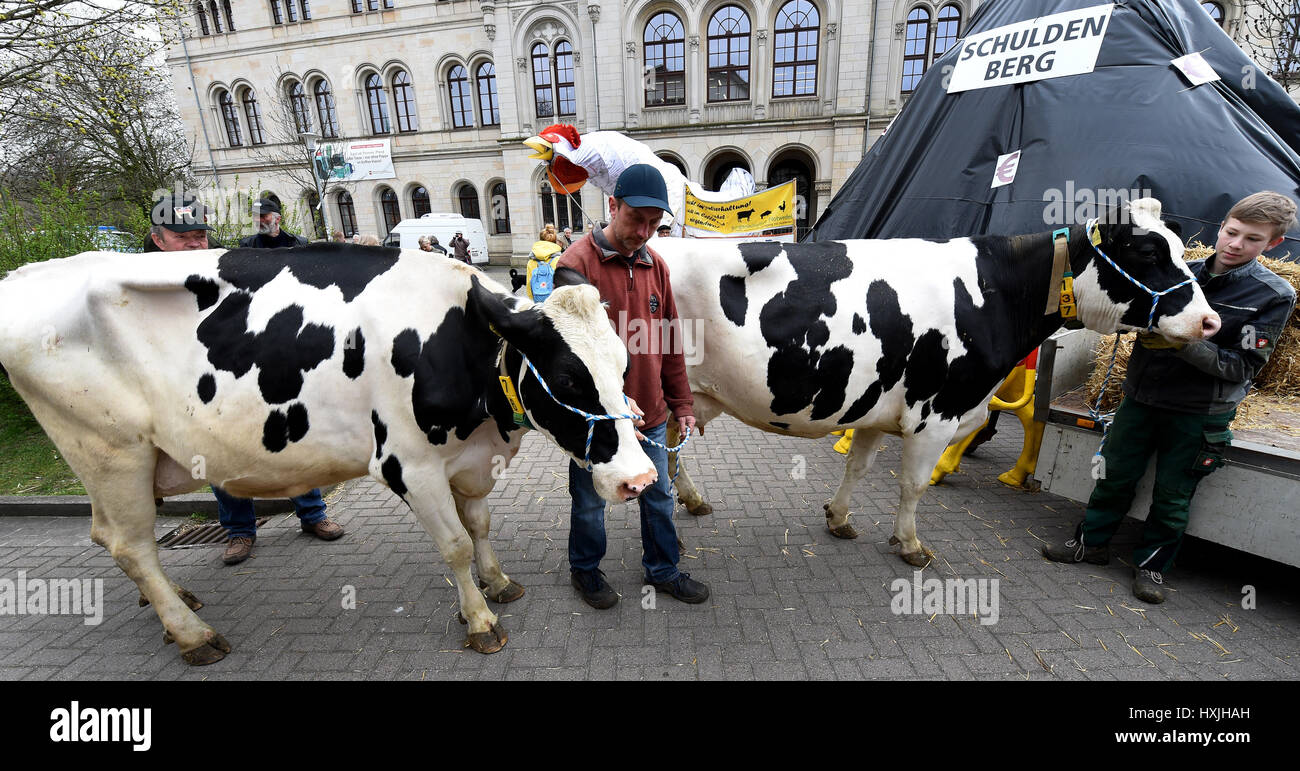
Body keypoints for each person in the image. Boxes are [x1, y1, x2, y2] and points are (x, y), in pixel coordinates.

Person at [1043, 191, 1297, 603]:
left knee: (1173, 495)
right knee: (1111, 475)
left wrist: (1182, 344)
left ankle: (1152, 568)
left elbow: (1242, 366)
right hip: (1141, 398)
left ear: (1273, 245)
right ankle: (1090, 545)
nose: (1235, 244)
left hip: (1199, 413)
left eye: (1251, 239)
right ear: (1221, 227)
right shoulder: (1175, 269)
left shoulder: (1271, 295)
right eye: (1231, 232)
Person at [556, 163, 707, 608]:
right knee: (589, 501)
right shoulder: (574, 266)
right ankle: (586, 571)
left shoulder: (655, 266)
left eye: (653, 224)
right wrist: (616, 406)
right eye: (635, 219)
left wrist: (682, 403)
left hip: (653, 414)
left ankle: (663, 570)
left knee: (658, 495)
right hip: (599, 421)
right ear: (612, 205)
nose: (643, 232)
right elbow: (570, 359)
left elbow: (670, 344)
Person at [239, 198, 308, 249]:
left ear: (277, 219)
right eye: (255, 215)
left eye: (262, 216)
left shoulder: (299, 243)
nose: (257, 220)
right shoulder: (247, 245)